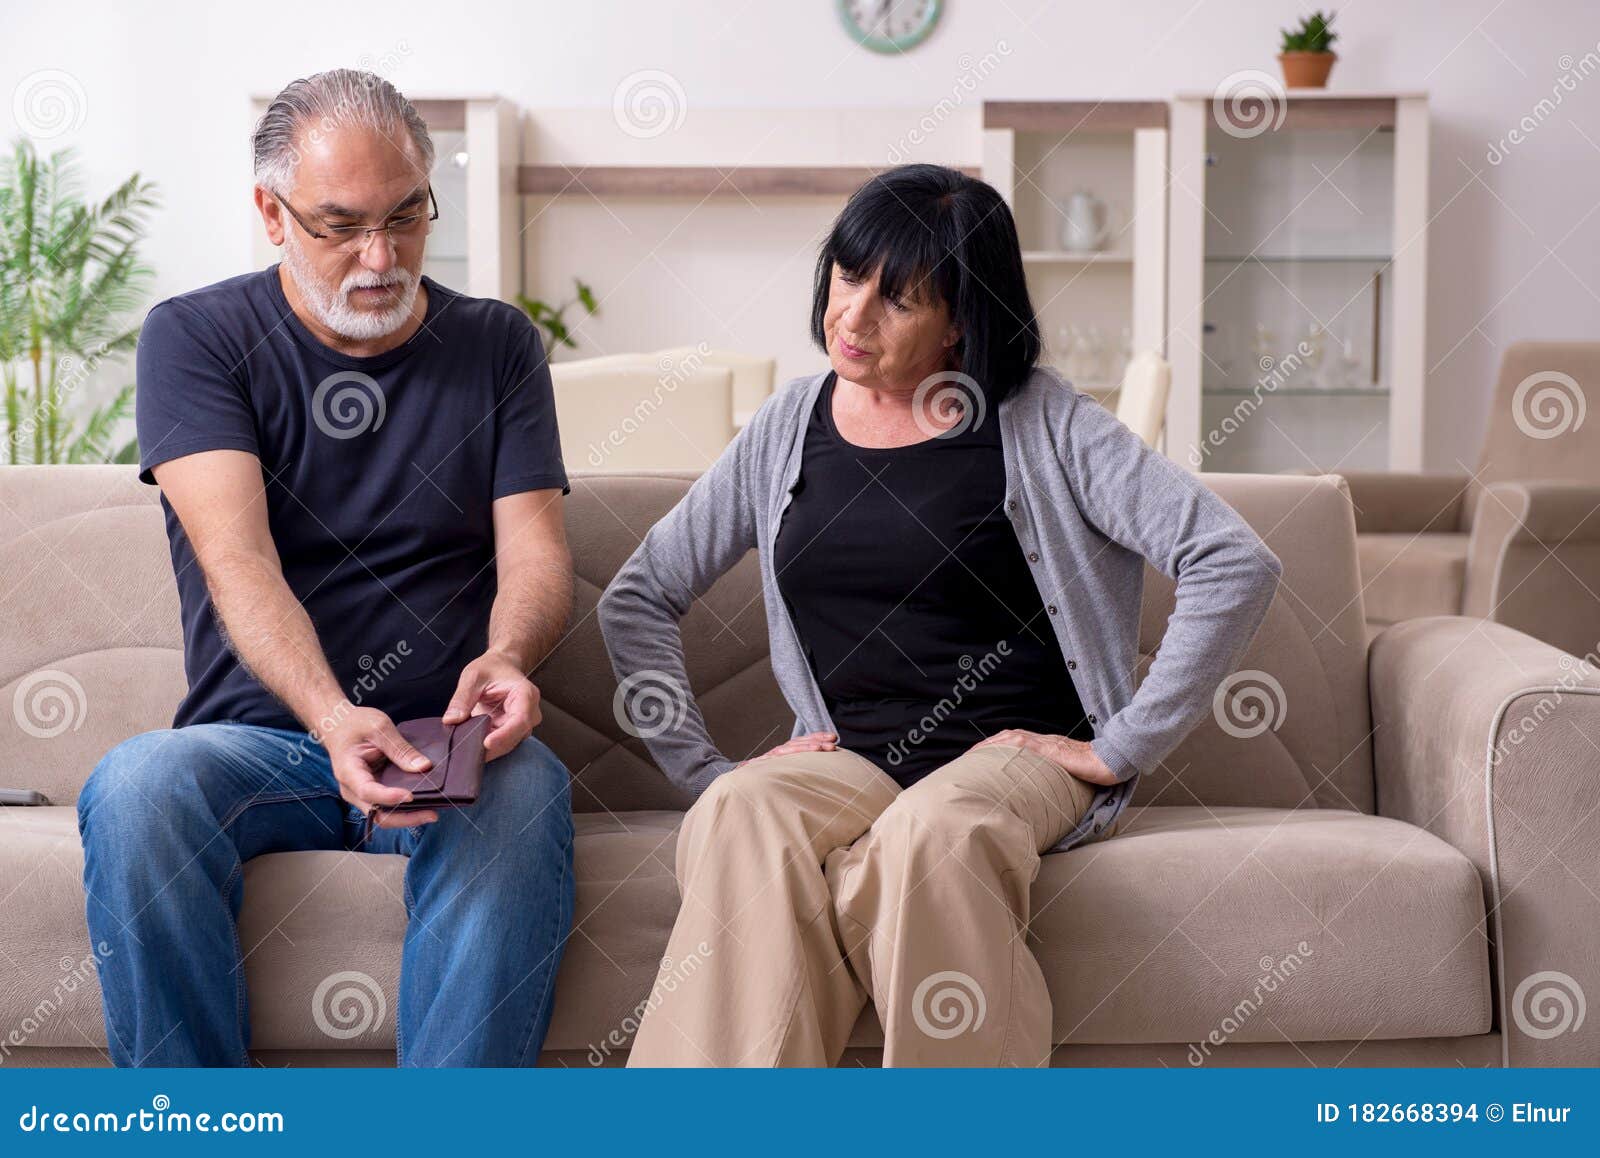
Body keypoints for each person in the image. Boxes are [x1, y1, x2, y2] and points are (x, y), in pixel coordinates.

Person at [598, 163, 1283, 1066]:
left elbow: (1233, 561)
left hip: (1011, 760)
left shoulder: (1045, 422)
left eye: (898, 299)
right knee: (739, 810)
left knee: (931, 831)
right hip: (850, 762)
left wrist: (1120, 747)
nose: (853, 317)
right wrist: (702, 764)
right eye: (848, 278)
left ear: (961, 317)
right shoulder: (787, 425)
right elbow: (638, 595)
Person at [77, 69, 575, 1067]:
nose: (380, 258)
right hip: (263, 743)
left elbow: (535, 548)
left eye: (405, 217)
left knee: (526, 791)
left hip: (445, 742)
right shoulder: (198, 337)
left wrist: (509, 656)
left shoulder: (495, 344)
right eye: (341, 226)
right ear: (272, 213)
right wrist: (334, 717)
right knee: (137, 786)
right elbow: (237, 558)